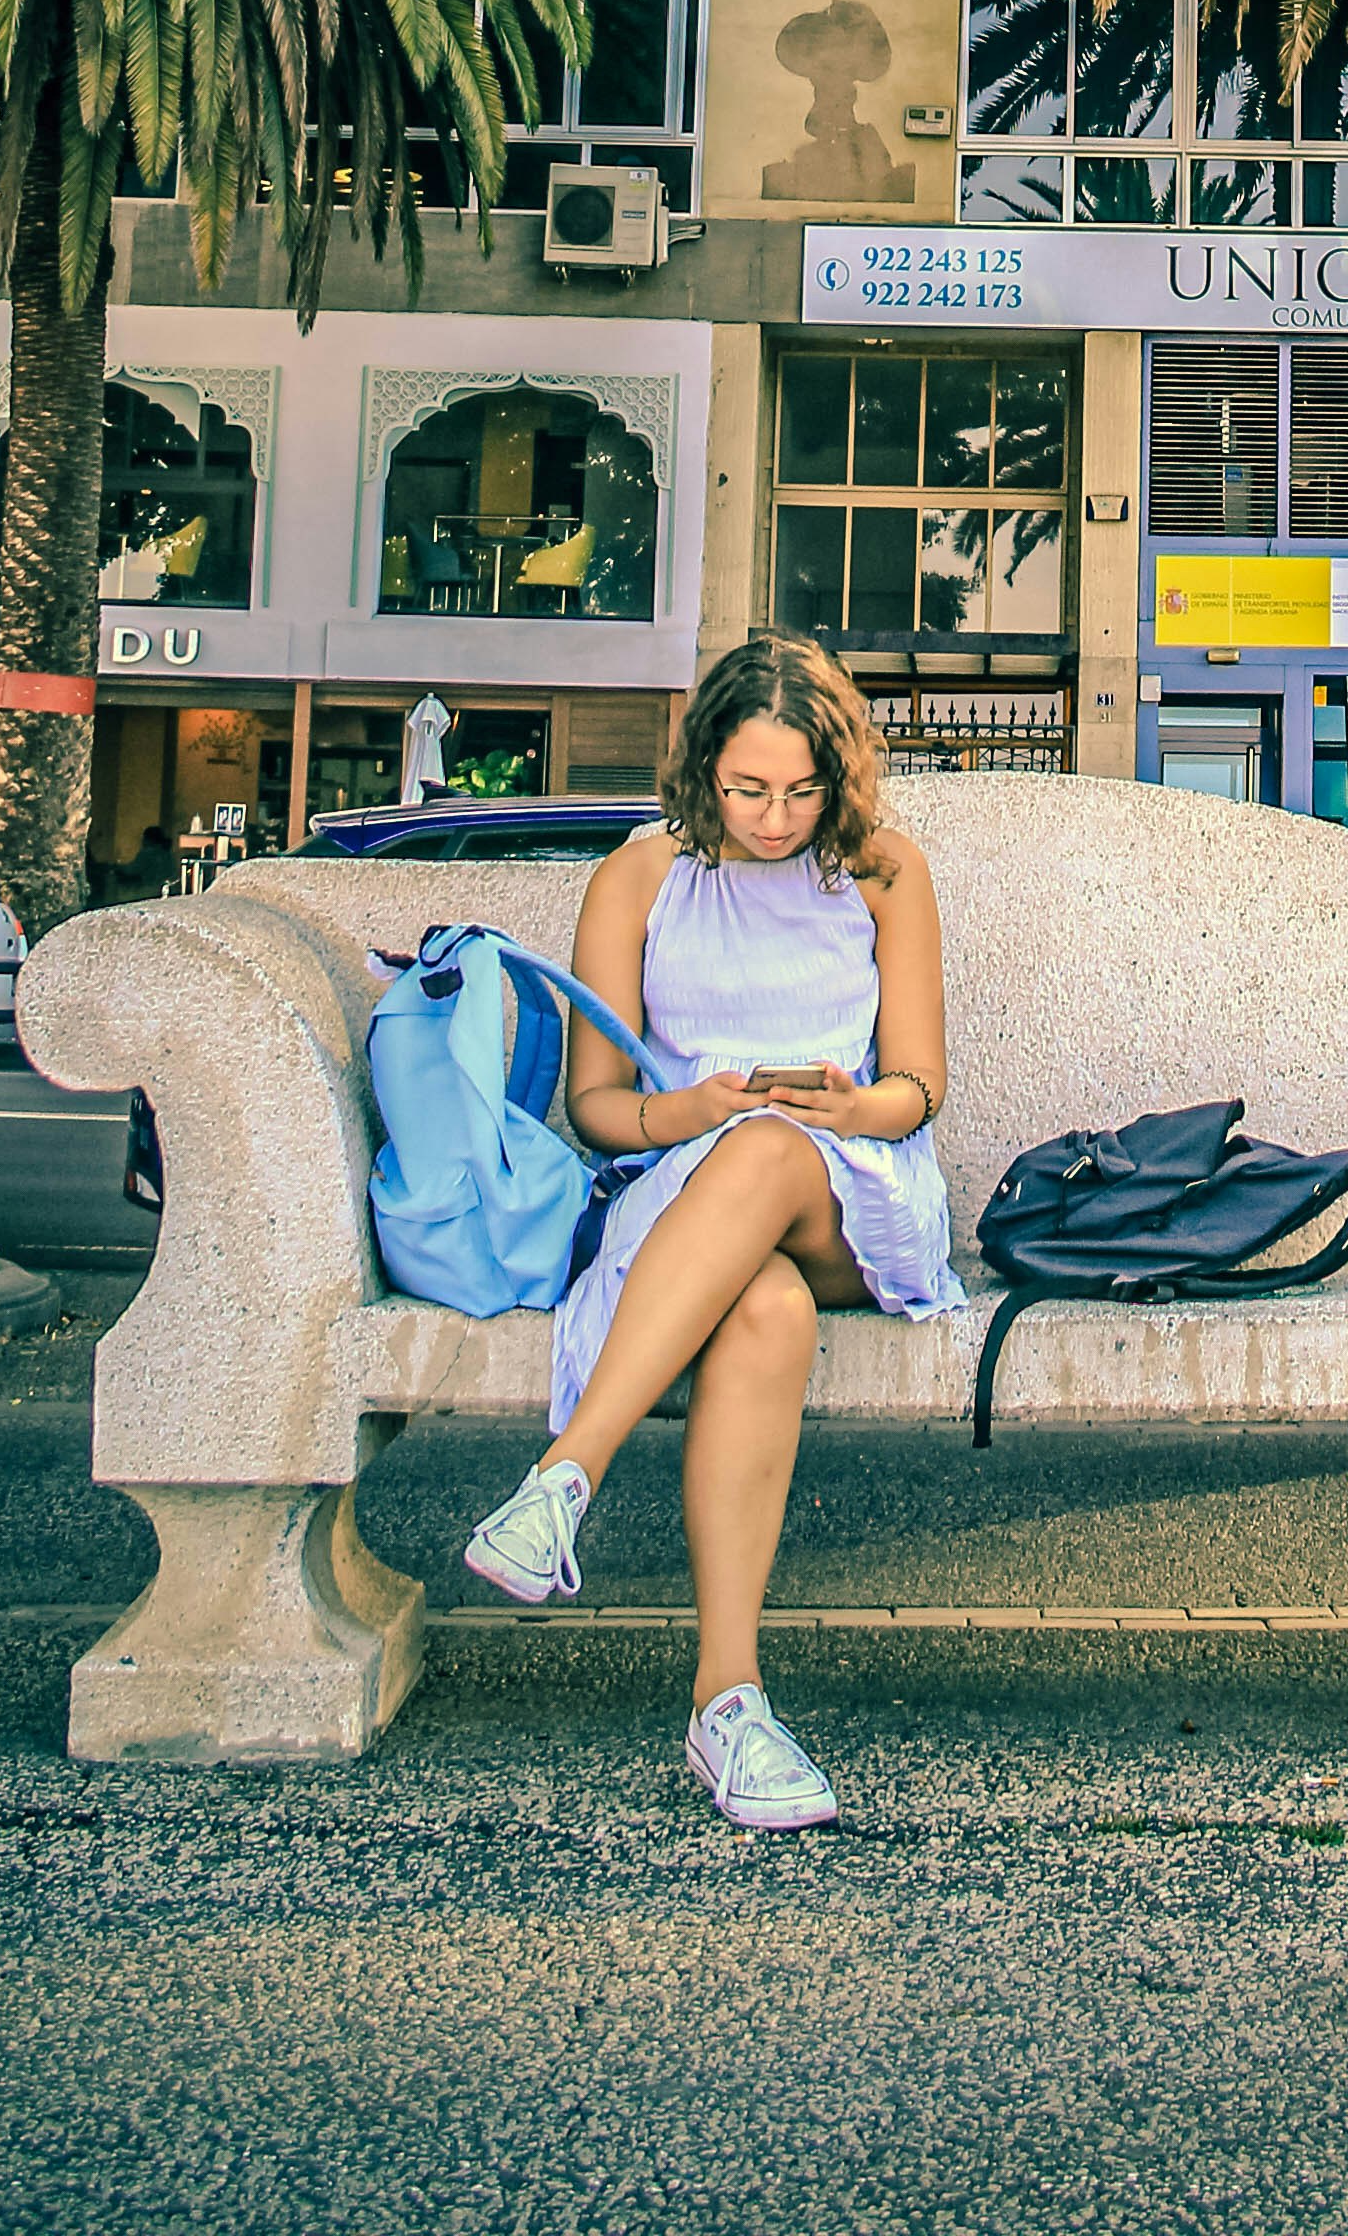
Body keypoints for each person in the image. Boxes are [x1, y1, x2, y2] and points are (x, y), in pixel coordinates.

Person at [458, 637, 957, 1831]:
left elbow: (923, 1085)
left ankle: (565, 1473)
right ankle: (729, 1707)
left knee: (777, 1148)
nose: (776, 819)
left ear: (839, 778)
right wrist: (685, 1108)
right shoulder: (638, 878)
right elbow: (598, 1109)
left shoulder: (884, 870)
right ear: (701, 773)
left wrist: (850, 1104)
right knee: (764, 1306)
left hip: (858, 1190)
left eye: (801, 791)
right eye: (747, 790)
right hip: (687, 1192)